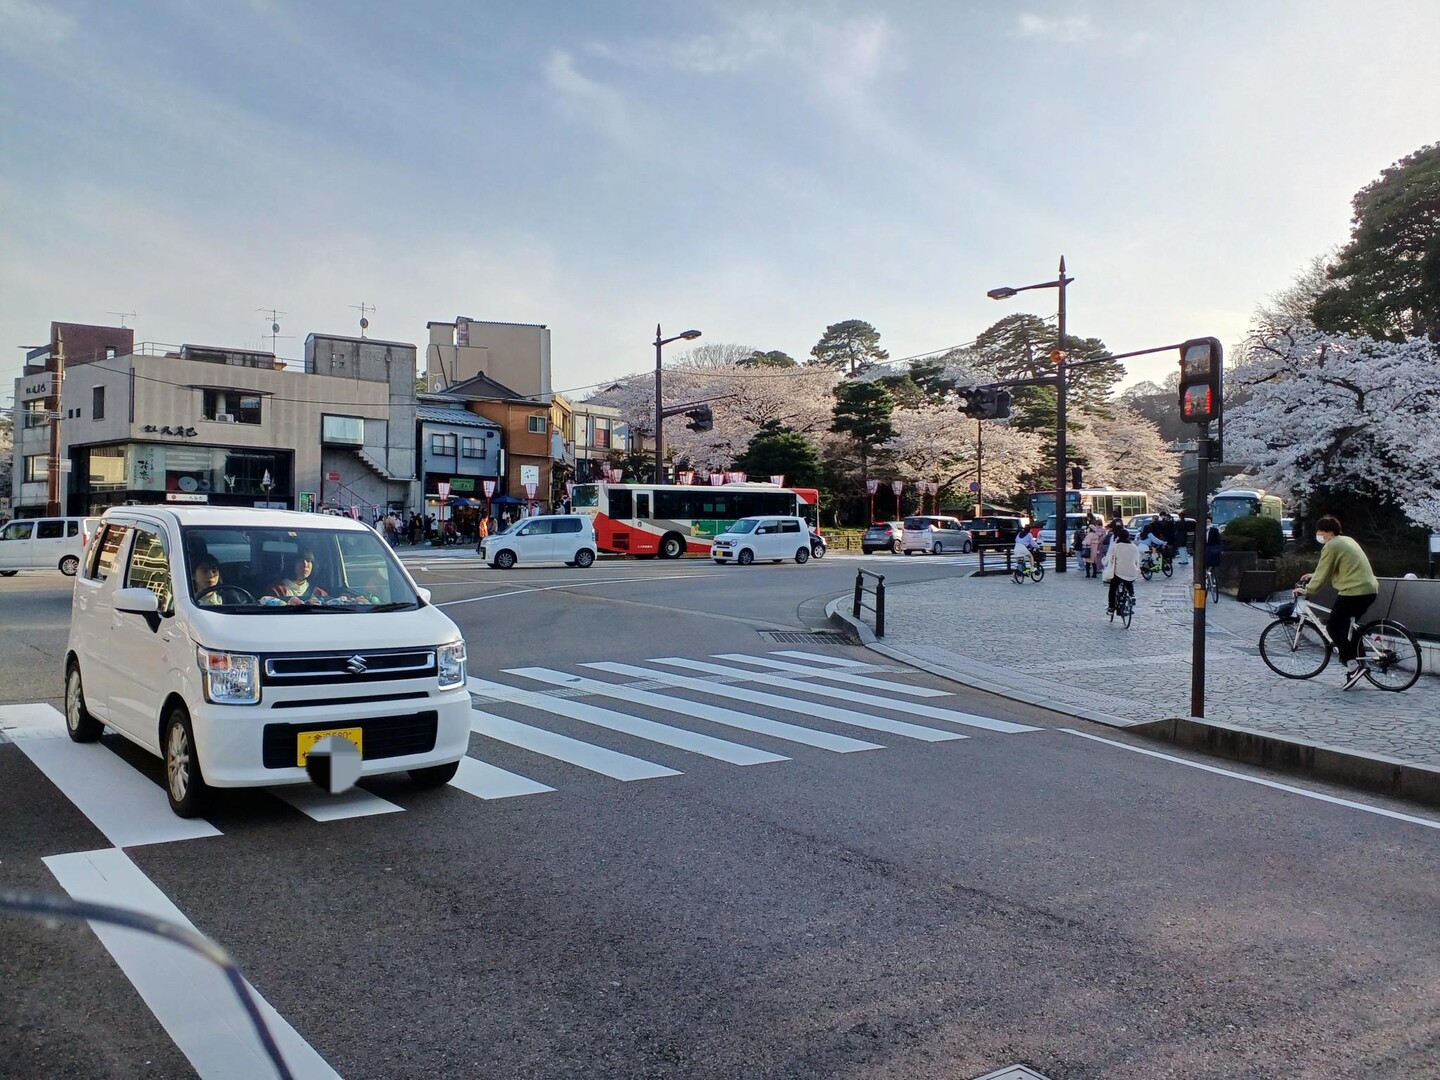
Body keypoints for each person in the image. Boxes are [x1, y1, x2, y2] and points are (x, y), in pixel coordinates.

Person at [1296, 515, 1379, 690]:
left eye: (1321, 531)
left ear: (1329, 532)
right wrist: (1313, 575)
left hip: (1353, 592)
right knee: (1351, 627)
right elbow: (1330, 568)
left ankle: (1353, 667)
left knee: (1333, 627)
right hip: (1369, 589)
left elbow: (1323, 572)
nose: (1319, 534)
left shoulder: (1331, 545)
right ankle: (1361, 664)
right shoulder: (1346, 540)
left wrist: (1306, 590)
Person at [1104, 527, 1140, 615]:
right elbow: (1137, 560)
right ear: (1128, 537)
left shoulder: (1116, 547)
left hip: (1118, 572)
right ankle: (1132, 595)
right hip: (1132, 571)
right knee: (1129, 582)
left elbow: (1110, 559)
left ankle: (1111, 607)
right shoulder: (1134, 547)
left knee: (1112, 588)